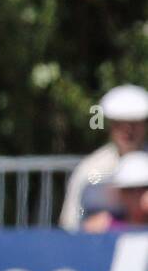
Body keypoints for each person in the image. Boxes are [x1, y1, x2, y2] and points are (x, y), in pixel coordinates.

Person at [60, 84, 148, 231]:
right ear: (110, 125)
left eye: (135, 123)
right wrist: (87, 227)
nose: (128, 130)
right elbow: (71, 223)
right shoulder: (90, 169)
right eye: (120, 124)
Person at [83, 150, 148, 231]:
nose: (137, 195)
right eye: (129, 190)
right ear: (119, 193)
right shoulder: (105, 225)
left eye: (144, 188)